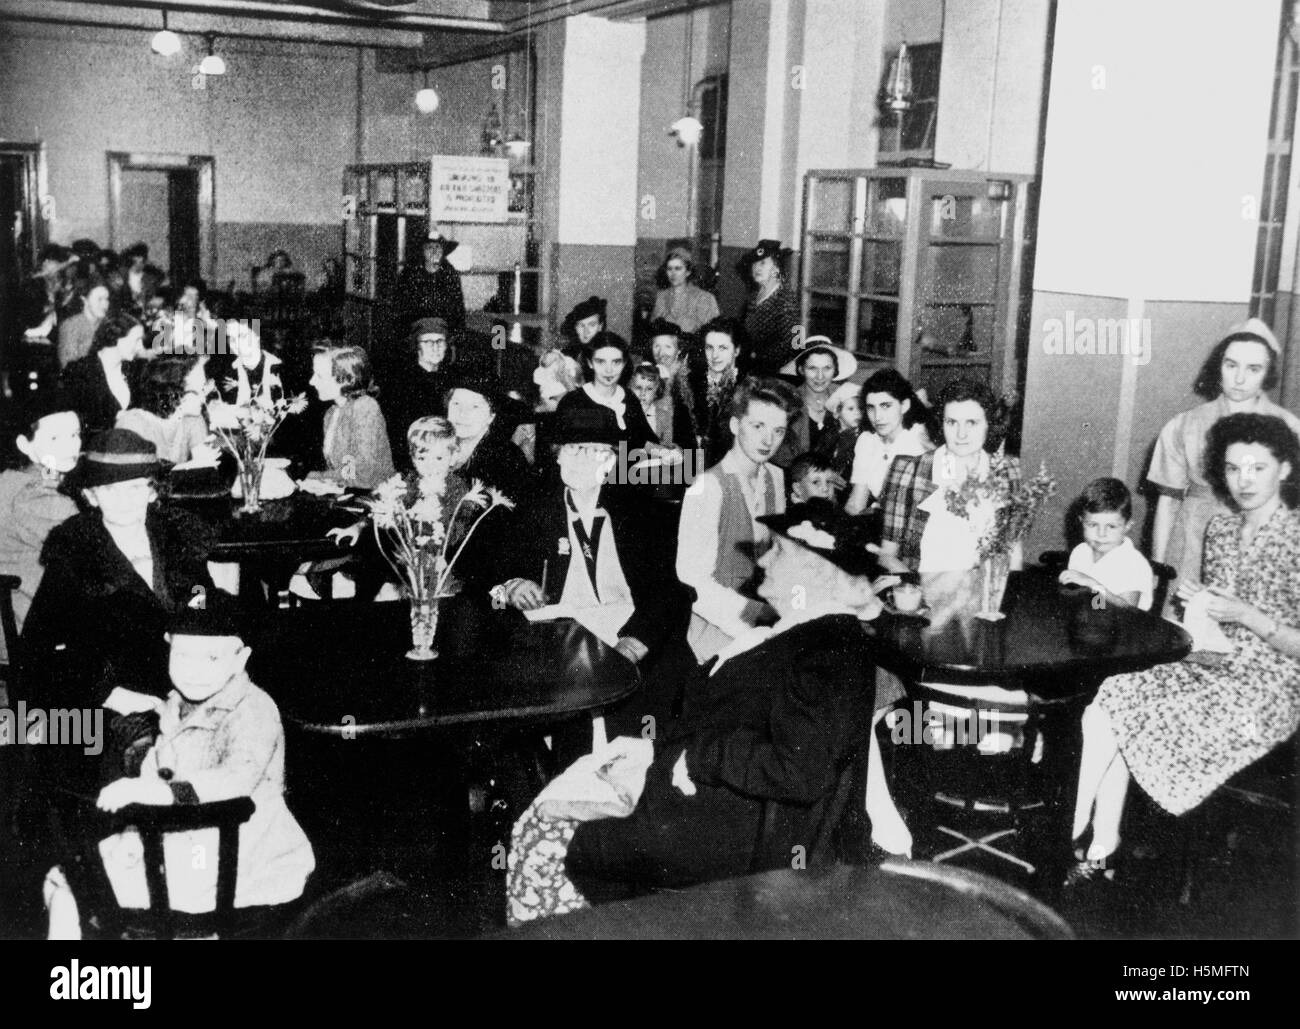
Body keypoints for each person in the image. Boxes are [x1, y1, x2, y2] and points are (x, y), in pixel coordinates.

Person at [505, 500, 881, 924]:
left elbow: (800, 771)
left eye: (778, 550)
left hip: (726, 832)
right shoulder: (805, 632)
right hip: (714, 805)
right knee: (559, 796)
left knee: (543, 831)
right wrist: (656, 753)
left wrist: (696, 756)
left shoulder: (825, 650)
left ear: (814, 571)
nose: (765, 559)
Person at [1070, 413, 1300, 884]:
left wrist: (1246, 616)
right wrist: (1200, 613)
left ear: (1285, 469)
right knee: (1112, 696)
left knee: (1153, 714)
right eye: (1234, 468)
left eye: (1258, 467)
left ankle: (1065, 834)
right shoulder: (1219, 531)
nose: (1245, 479)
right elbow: (1219, 631)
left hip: (1271, 685)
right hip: (1214, 664)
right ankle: (1100, 841)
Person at [43, 589, 315, 938]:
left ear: (240, 658)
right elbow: (155, 767)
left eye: (212, 659)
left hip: (239, 849)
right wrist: (132, 828)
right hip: (176, 833)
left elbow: (236, 779)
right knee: (67, 879)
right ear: (168, 647)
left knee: (140, 898)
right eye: (183, 654)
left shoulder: (253, 709)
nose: (194, 671)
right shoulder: (174, 705)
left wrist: (159, 792)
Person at [494, 407, 694, 750]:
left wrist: (631, 645)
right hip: (566, 639)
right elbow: (496, 564)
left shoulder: (644, 511)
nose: (579, 458)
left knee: (644, 739)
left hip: (633, 632)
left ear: (611, 461)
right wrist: (512, 585)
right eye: (571, 449)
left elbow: (671, 590)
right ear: (557, 458)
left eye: (592, 450)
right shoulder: (537, 507)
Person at [21, 429, 217, 713]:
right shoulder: (74, 553)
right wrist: (111, 695)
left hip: (183, 677)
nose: (123, 501)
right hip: (107, 694)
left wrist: (192, 620)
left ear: (152, 492)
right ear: (91, 496)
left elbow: (200, 591)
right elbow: (40, 646)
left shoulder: (176, 535)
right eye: (110, 490)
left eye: (135, 488)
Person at [1147, 318, 1300, 608]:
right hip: (1193, 541)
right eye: (1231, 365)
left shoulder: (1291, 428)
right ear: (1219, 366)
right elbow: (1168, 502)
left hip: (1263, 544)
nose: (1240, 379)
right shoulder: (1184, 425)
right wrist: (1157, 566)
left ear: (1267, 373)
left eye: (1253, 369)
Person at [675, 377, 797, 662]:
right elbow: (693, 583)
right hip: (714, 623)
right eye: (758, 426)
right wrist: (755, 614)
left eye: (778, 431)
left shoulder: (775, 477)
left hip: (764, 612)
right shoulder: (707, 488)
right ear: (734, 425)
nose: (769, 440)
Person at [873, 378, 1017, 574]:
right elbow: (887, 555)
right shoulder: (909, 469)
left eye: (972, 423)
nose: (961, 434)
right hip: (923, 594)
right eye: (952, 422)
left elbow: (1012, 550)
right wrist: (916, 591)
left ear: (988, 424)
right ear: (941, 423)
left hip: (983, 595)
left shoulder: (1007, 471)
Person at [0, 395, 81, 664]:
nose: (71, 446)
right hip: (29, 628)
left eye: (74, 434)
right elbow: (90, 544)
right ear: (25, 444)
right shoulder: (31, 496)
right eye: (55, 439)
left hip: (22, 617)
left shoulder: (15, 478)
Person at [844, 368, 934, 515]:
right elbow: (856, 503)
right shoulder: (867, 440)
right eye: (871, 408)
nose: (877, 416)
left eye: (886, 406)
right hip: (880, 521)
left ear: (904, 406)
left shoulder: (920, 439)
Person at [306, 345, 395, 490]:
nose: (312, 381)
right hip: (348, 496)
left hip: (373, 498)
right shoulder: (331, 413)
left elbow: (364, 472)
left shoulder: (365, 407)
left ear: (346, 379)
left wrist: (315, 477)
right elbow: (343, 471)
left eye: (320, 376)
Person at [554, 331, 657, 456]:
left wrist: (668, 451)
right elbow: (560, 451)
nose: (609, 370)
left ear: (624, 363)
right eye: (601, 362)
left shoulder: (629, 398)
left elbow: (644, 441)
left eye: (616, 362)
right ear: (590, 363)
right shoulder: (572, 401)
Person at [1058, 478, 1154, 610]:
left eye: (1111, 526)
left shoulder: (1134, 564)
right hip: (1088, 620)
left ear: (1127, 525)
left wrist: (1093, 585)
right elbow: (1088, 604)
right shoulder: (1080, 552)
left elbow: (1128, 610)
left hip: (1122, 627)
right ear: (1082, 521)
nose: (1101, 534)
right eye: (1092, 525)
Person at [773, 338, 858, 470]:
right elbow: (779, 454)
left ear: (835, 370)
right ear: (801, 369)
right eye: (812, 368)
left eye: (827, 368)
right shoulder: (787, 401)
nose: (820, 376)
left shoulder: (846, 397)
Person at [382, 317, 455, 468]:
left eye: (440, 341)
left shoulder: (451, 379)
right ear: (417, 346)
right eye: (428, 342)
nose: (435, 347)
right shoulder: (401, 384)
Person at [116, 354, 212, 465]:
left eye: (203, 389)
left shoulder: (194, 419)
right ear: (173, 393)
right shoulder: (132, 424)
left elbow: (205, 468)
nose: (204, 399)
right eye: (196, 392)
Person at [61, 311, 147, 435]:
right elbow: (74, 420)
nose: (141, 347)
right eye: (137, 340)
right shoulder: (80, 371)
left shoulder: (134, 371)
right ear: (117, 338)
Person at [739, 239, 801, 374]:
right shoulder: (754, 296)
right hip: (751, 366)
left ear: (776, 269)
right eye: (754, 263)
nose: (757, 268)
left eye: (762, 263)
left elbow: (796, 344)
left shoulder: (786, 301)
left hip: (774, 371)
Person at [689, 317, 744, 467]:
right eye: (709, 348)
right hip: (692, 465)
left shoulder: (747, 387)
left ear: (737, 350)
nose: (715, 355)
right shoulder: (690, 383)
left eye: (723, 348)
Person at [395, 231, 466, 333]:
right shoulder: (409, 274)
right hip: (416, 331)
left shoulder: (451, 275)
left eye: (438, 247)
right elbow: (400, 308)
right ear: (422, 251)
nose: (434, 251)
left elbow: (458, 310)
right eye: (429, 247)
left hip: (443, 331)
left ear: (443, 251)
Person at [212, 320, 283, 409]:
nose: (237, 344)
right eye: (231, 338)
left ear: (257, 335)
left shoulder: (279, 367)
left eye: (242, 335)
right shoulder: (227, 375)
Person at [651, 247, 720, 335]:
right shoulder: (661, 296)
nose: (673, 273)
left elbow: (712, 332)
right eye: (669, 269)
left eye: (678, 268)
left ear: (688, 272)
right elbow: (654, 328)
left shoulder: (704, 298)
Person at [629, 362, 693, 451]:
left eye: (649, 389)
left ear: (657, 391)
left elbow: (668, 443)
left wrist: (673, 450)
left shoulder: (662, 415)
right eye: (638, 388)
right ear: (630, 388)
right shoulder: (623, 412)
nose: (642, 393)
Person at [57, 283, 110, 368]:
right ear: (85, 300)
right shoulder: (71, 326)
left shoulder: (108, 324)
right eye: (99, 299)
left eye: (106, 299)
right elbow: (68, 365)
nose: (105, 304)